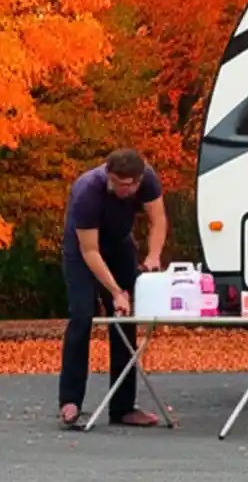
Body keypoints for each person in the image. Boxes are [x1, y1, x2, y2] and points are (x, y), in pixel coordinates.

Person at [58, 148, 168, 429]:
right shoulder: (87, 191)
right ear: (108, 175)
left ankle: (123, 407)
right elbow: (90, 251)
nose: (124, 190)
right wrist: (115, 291)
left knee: (124, 319)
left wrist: (153, 256)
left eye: (130, 185)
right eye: (118, 184)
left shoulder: (148, 179)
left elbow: (158, 220)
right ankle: (70, 401)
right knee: (82, 315)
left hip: (119, 244)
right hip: (83, 250)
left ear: (139, 180)